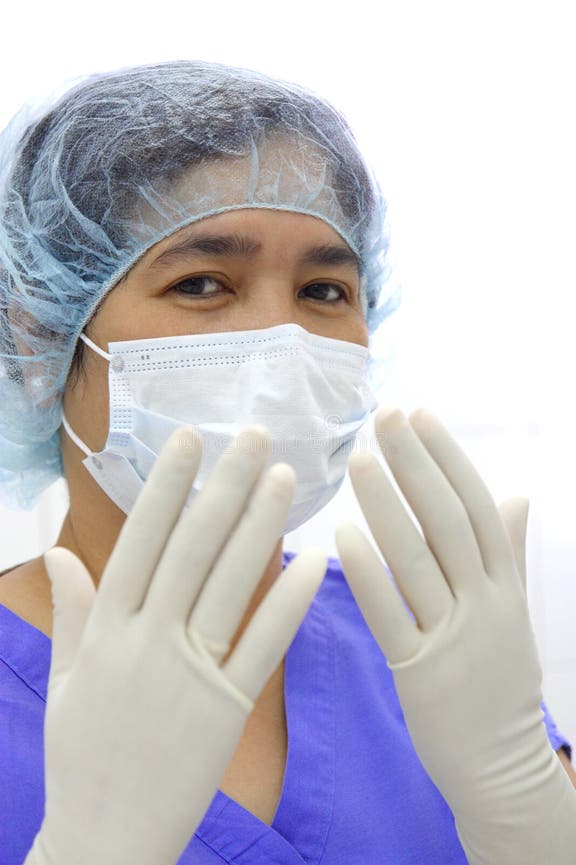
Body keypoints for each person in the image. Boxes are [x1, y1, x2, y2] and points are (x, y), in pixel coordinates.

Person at [0, 60, 574, 865]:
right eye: (201, 282)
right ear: (39, 340)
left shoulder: (433, 653)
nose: (284, 342)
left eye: (325, 291)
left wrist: (526, 808)